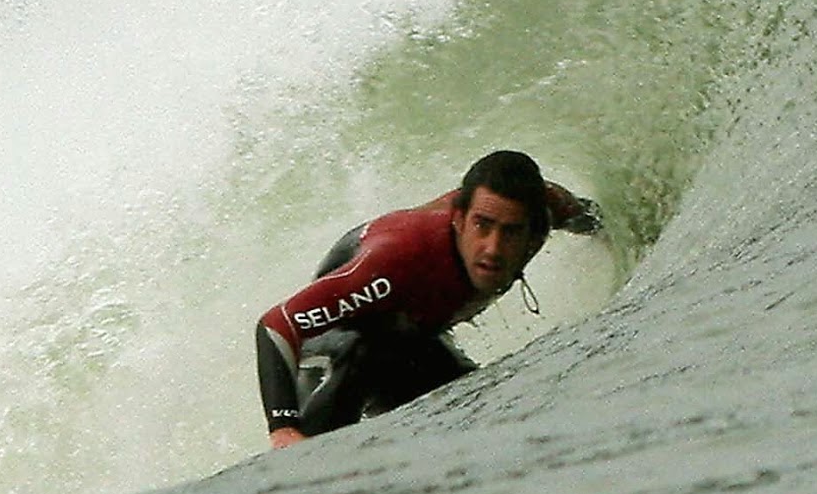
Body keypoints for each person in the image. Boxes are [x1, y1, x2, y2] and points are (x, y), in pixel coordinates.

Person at [255, 150, 602, 448]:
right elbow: (276, 324)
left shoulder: (552, 207)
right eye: (482, 225)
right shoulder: (398, 257)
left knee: (477, 401)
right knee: (362, 356)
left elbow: (603, 222)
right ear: (459, 219)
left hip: (409, 341)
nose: (493, 248)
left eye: (511, 232)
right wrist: (283, 427)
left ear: (535, 230)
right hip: (336, 348)